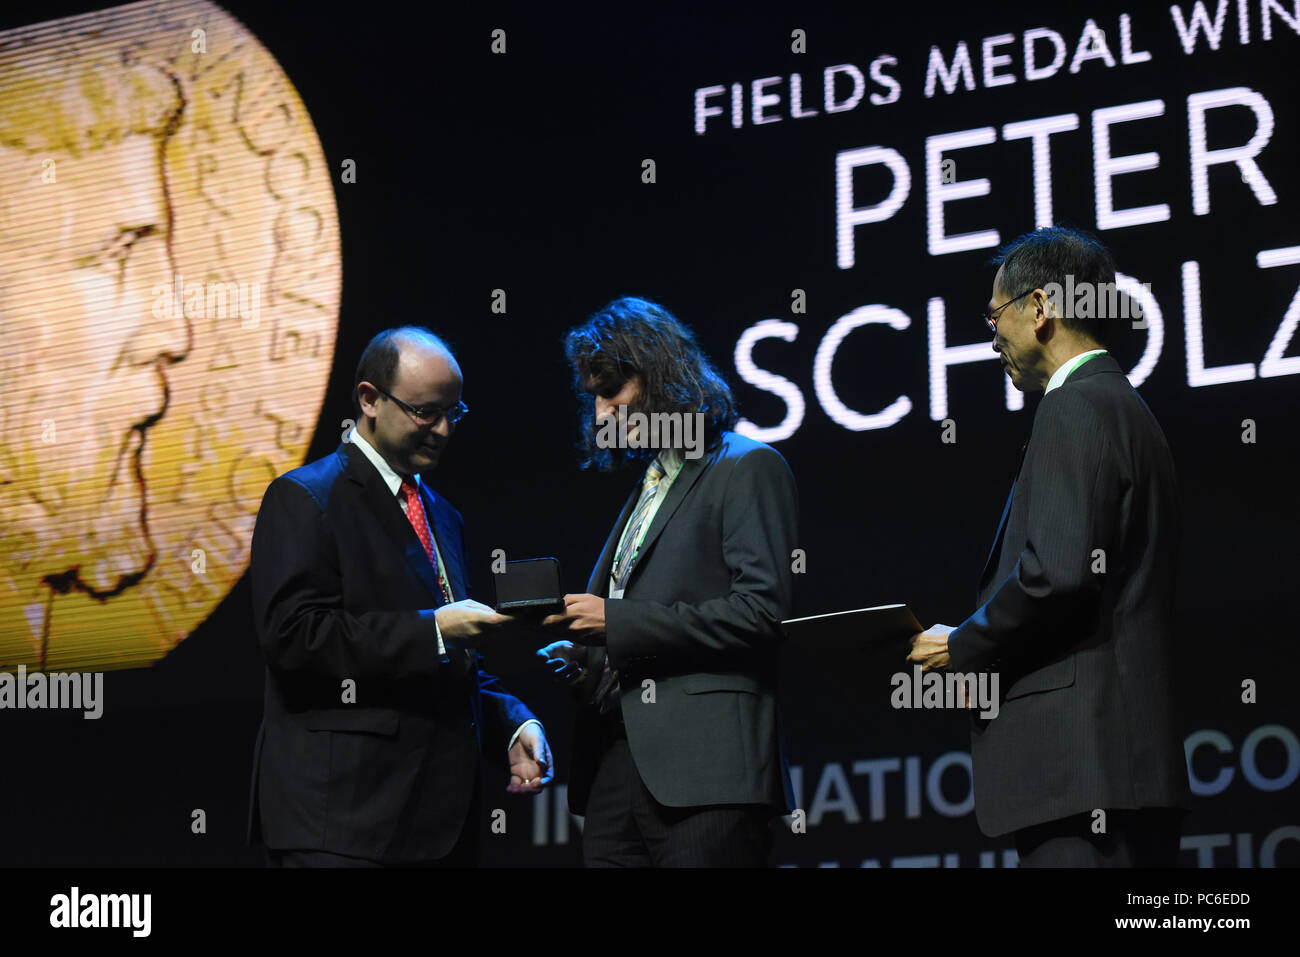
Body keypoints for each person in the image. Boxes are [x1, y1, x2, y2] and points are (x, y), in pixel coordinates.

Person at [909, 227, 1190, 867]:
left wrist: (964, 643)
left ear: (1040, 309)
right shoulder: (1129, 410)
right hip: (1127, 772)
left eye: (994, 315)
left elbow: (1058, 576)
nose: (991, 337)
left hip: (1080, 771)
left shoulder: (1073, 408)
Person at [248, 327, 551, 866]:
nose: (442, 429)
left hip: (437, 826)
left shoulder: (442, 514)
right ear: (369, 399)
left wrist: (511, 723)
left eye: (453, 413)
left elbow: (451, 661)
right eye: (425, 412)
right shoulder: (303, 498)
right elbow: (295, 640)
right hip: (342, 827)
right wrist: (433, 628)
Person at [540, 296, 797, 867]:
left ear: (659, 376)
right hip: (616, 768)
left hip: (708, 775)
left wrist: (616, 622)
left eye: (612, 392)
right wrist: (589, 660)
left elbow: (761, 615)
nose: (603, 413)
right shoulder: (649, 484)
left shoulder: (746, 466)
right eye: (595, 398)